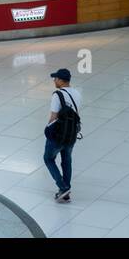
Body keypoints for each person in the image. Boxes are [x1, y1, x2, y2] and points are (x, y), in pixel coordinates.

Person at [43, 68, 81, 203]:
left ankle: (63, 187)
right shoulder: (77, 93)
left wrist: (47, 130)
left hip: (58, 135)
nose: (54, 81)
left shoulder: (57, 95)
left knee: (48, 158)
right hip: (71, 134)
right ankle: (66, 191)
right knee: (66, 161)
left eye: (55, 78)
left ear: (60, 80)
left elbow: (53, 117)